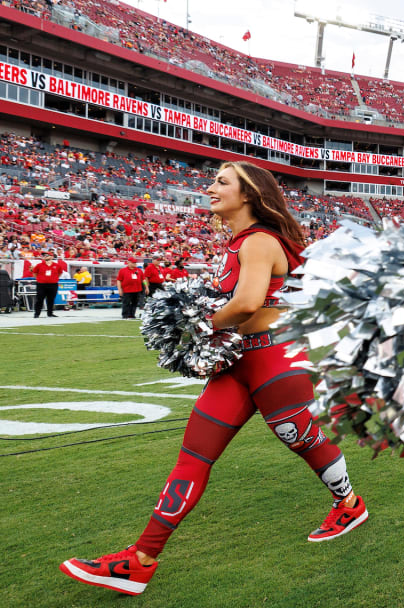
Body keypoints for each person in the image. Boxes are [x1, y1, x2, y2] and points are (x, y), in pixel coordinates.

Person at [60, 162, 368, 596]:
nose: (209, 188)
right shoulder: (240, 242)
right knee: (194, 456)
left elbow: (245, 304)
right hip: (238, 365)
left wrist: (198, 325)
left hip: (274, 361)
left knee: (302, 439)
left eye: (221, 182)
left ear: (248, 194)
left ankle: (350, 503)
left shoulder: (259, 240)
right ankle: (140, 559)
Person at [32, 250, 67, 318]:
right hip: (41, 284)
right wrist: (40, 279)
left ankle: (50, 313)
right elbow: (35, 273)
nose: (45, 257)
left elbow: (60, 273)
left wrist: (53, 279)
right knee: (40, 299)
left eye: (46, 255)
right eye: (44, 255)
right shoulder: (39, 265)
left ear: (51, 256)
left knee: (51, 299)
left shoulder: (57, 265)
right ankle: (37, 313)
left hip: (53, 284)